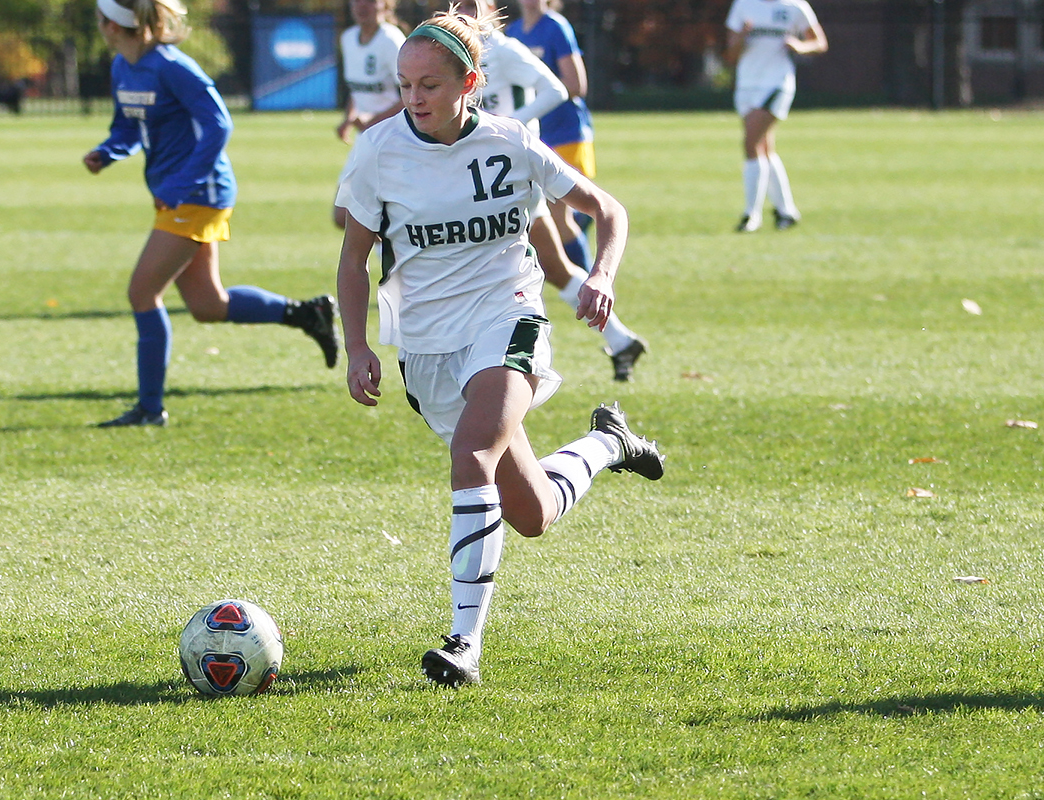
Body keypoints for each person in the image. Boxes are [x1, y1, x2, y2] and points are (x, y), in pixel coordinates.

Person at [334, 10, 666, 687]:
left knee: (472, 452)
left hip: (508, 318)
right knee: (533, 513)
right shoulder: (377, 150)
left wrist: (599, 274)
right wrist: (357, 344)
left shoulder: (511, 142)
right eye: (404, 85)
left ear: (471, 82)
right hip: (426, 344)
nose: (414, 98)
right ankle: (610, 443)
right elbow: (353, 257)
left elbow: (609, 210)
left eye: (429, 84)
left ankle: (464, 643)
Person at [84, 0, 339, 427]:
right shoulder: (122, 68)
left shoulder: (172, 66)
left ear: (112, 24)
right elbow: (128, 127)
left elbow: (219, 124)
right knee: (207, 303)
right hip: (175, 195)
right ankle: (306, 313)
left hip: (197, 195)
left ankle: (149, 409)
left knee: (142, 293)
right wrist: (107, 152)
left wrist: (179, 186)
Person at [466, 0, 649, 382]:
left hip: (509, 174)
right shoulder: (459, 51)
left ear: (488, 8)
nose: (463, 11)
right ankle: (620, 338)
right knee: (552, 263)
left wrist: (510, 127)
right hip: (483, 171)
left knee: (534, 259)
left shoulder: (502, 48)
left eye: (472, 5)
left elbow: (557, 88)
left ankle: (503, 360)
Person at [723, 0, 826, 232]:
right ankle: (787, 211)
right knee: (764, 148)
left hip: (777, 83)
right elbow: (731, 53)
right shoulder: (744, 5)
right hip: (747, 84)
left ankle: (751, 215)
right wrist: (741, 36)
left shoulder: (795, 7)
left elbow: (819, 42)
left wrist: (800, 46)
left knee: (751, 144)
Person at [332, 0, 406, 230]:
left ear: (384, 5)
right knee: (341, 214)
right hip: (368, 137)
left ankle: (396, 243)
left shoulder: (391, 40)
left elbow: (409, 96)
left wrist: (372, 120)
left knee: (372, 212)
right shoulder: (348, 38)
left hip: (396, 137)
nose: (361, 6)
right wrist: (349, 117)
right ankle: (392, 240)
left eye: (370, 1)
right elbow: (358, 89)